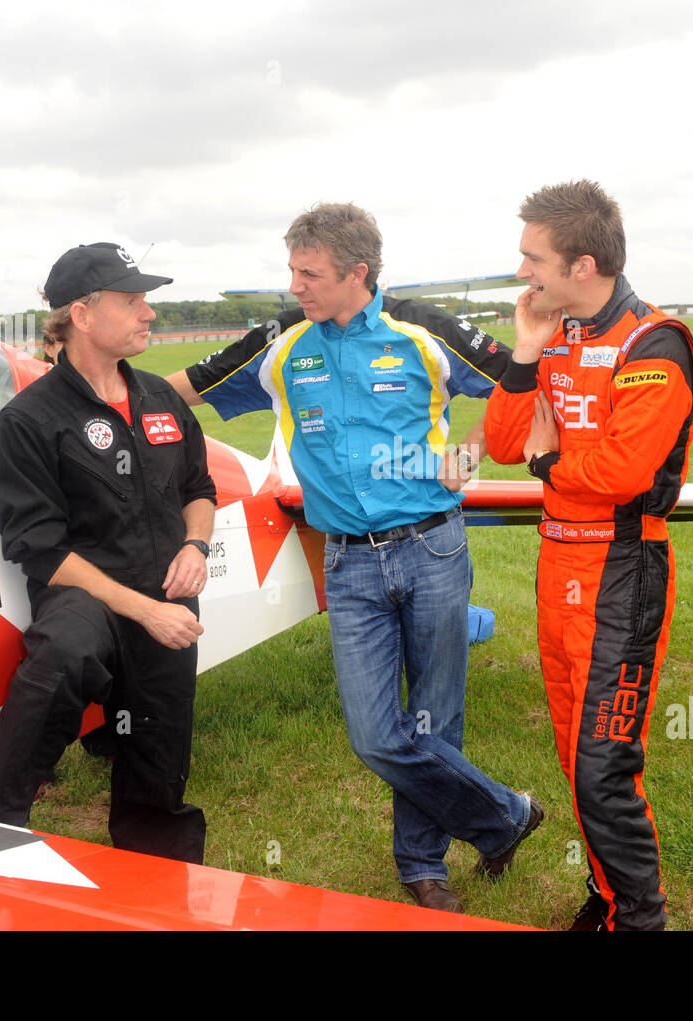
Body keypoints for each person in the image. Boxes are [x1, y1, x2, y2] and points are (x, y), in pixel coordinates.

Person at [167, 202, 540, 912]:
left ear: (356, 273)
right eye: (292, 270)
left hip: (433, 544)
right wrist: (88, 387)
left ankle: (423, 865)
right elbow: (184, 387)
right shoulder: (282, 339)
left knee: (435, 717)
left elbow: (518, 385)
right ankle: (507, 817)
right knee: (375, 735)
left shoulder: (422, 329)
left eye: (309, 273)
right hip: (347, 560)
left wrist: (474, 452)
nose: (295, 285)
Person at [485, 181, 693, 931]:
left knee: (604, 762)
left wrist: (550, 466)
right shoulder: (557, 335)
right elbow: (505, 443)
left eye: (532, 259)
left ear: (583, 263)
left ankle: (639, 915)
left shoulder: (654, 342)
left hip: (622, 568)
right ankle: (609, 893)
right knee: (576, 751)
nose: (523, 275)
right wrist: (523, 355)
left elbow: (620, 474)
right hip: (558, 566)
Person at [0, 242, 215, 864]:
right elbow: (42, 549)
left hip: (165, 589)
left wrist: (196, 543)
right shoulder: (31, 419)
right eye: (132, 301)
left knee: (159, 759)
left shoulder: (162, 399)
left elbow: (198, 490)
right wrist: (143, 611)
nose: (150, 314)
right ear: (81, 315)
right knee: (64, 654)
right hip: (85, 592)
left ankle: (158, 866)